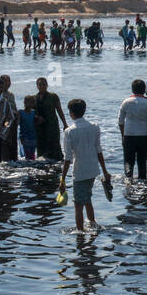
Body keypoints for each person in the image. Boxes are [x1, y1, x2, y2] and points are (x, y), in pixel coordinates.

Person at [59, 98, 110, 232]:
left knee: (78, 204)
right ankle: (92, 223)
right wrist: (105, 171)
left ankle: (80, 232)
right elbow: (99, 150)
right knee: (87, 198)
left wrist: (62, 179)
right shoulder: (94, 126)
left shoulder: (69, 131)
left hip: (80, 171)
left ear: (70, 113)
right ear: (84, 110)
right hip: (93, 169)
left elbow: (68, 158)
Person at [118, 79, 147, 179]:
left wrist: (123, 135)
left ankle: (128, 180)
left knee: (128, 161)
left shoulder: (126, 102)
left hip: (129, 135)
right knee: (142, 161)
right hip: (144, 135)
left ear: (132, 90)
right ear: (144, 90)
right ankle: (142, 182)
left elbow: (120, 121)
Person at [34, 77, 68, 160]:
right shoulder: (34, 98)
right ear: (37, 86)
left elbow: (59, 110)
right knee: (41, 147)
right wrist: (37, 117)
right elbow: (30, 112)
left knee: (54, 146)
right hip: (39, 127)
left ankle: (58, 165)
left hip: (52, 125)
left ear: (47, 85)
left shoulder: (53, 96)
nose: (42, 86)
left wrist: (65, 124)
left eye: (44, 84)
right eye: (40, 85)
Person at [19, 96, 38, 160]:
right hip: (24, 135)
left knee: (32, 153)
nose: (30, 104)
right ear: (24, 102)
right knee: (27, 152)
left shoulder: (34, 112)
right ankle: (28, 164)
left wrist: (40, 119)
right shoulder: (20, 112)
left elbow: (36, 122)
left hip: (33, 135)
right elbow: (17, 122)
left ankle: (31, 166)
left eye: (32, 103)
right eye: (28, 102)